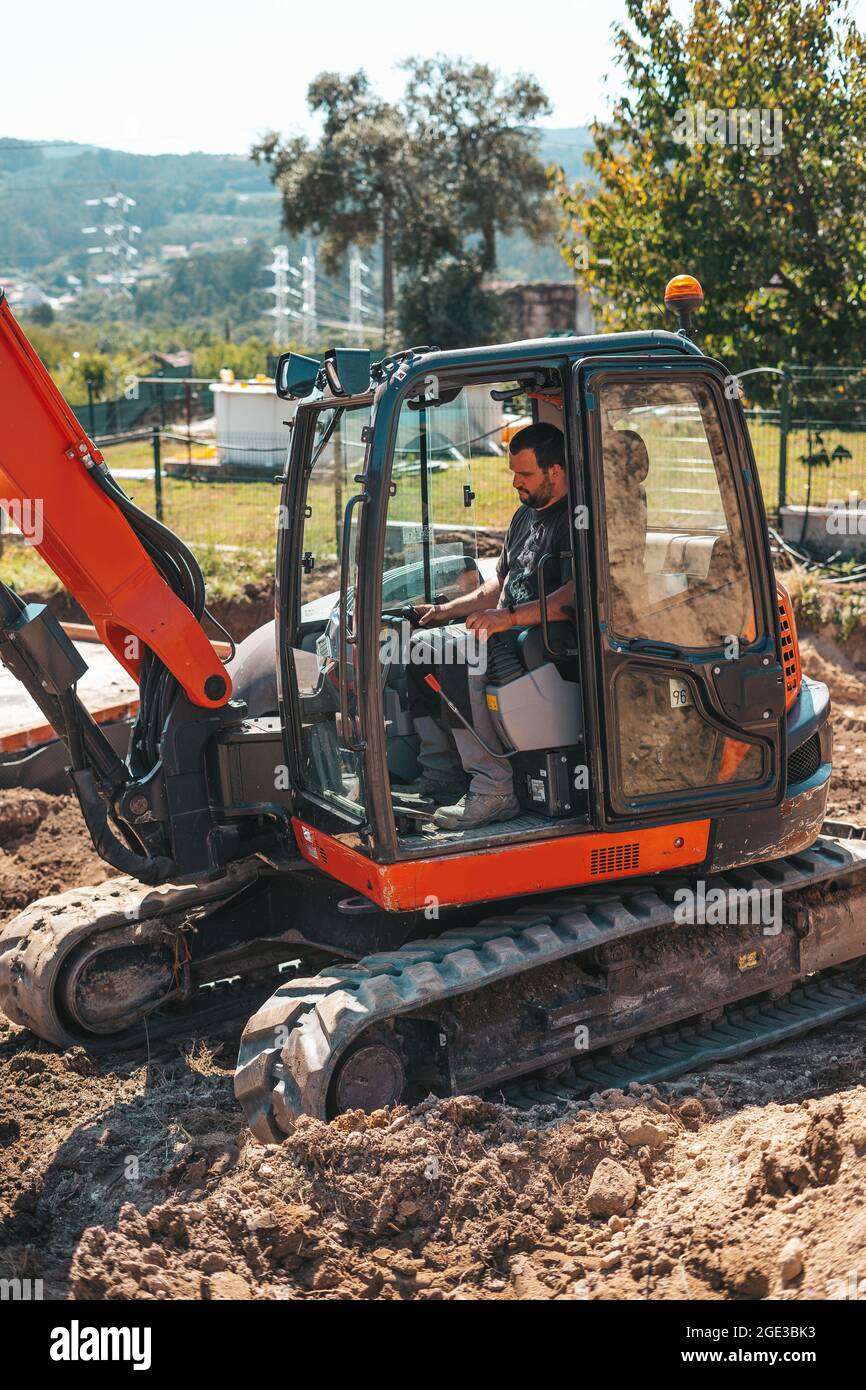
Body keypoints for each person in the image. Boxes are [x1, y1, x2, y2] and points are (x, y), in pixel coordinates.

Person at [403, 421, 575, 830]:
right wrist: (446, 611)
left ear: (556, 471)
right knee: (417, 645)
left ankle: (495, 787)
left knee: (459, 649)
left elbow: (575, 595)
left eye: (525, 474)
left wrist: (508, 619)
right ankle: (444, 773)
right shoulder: (525, 516)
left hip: (552, 638)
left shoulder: (577, 520)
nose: (516, 482)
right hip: (509, 627)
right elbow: (499, 583)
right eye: (514, 473)